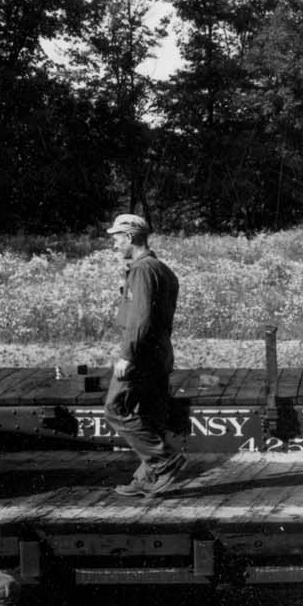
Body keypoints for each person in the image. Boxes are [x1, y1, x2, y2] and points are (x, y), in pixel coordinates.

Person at [103, 213, 185, 497]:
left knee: (116, 408)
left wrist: (127, 355)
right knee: (148, 416)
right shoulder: (160, 268)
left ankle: (163, 461)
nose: (114, 243)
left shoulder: (142, 270)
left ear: (130, 237)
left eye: (116, 238)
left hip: (142, 356)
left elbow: (141, 318)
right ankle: (147, 478)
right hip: (159, 354)